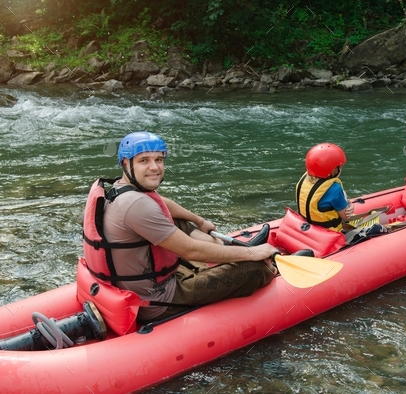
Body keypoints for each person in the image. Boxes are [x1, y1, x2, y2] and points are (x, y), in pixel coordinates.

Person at [82, 131, 278, 324]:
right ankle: (271, 268)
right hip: (158, 299)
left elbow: (162, 204)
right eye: (144, 161)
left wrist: (199, 221)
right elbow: (190, 250)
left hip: (146, 281)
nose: (154, 167)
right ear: (126, 163)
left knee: (175, 221)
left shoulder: (120, 188)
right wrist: (253, 254)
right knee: (255, 268)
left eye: (159, 160)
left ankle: (231, 250)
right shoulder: (136, 206)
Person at [295, 143, 354, 232]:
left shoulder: (304, 180)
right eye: (339, 167)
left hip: (306, 228)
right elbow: (345, 216)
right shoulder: (334, 189)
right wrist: (351, 206)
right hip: (326, 235)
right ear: (333, 170)